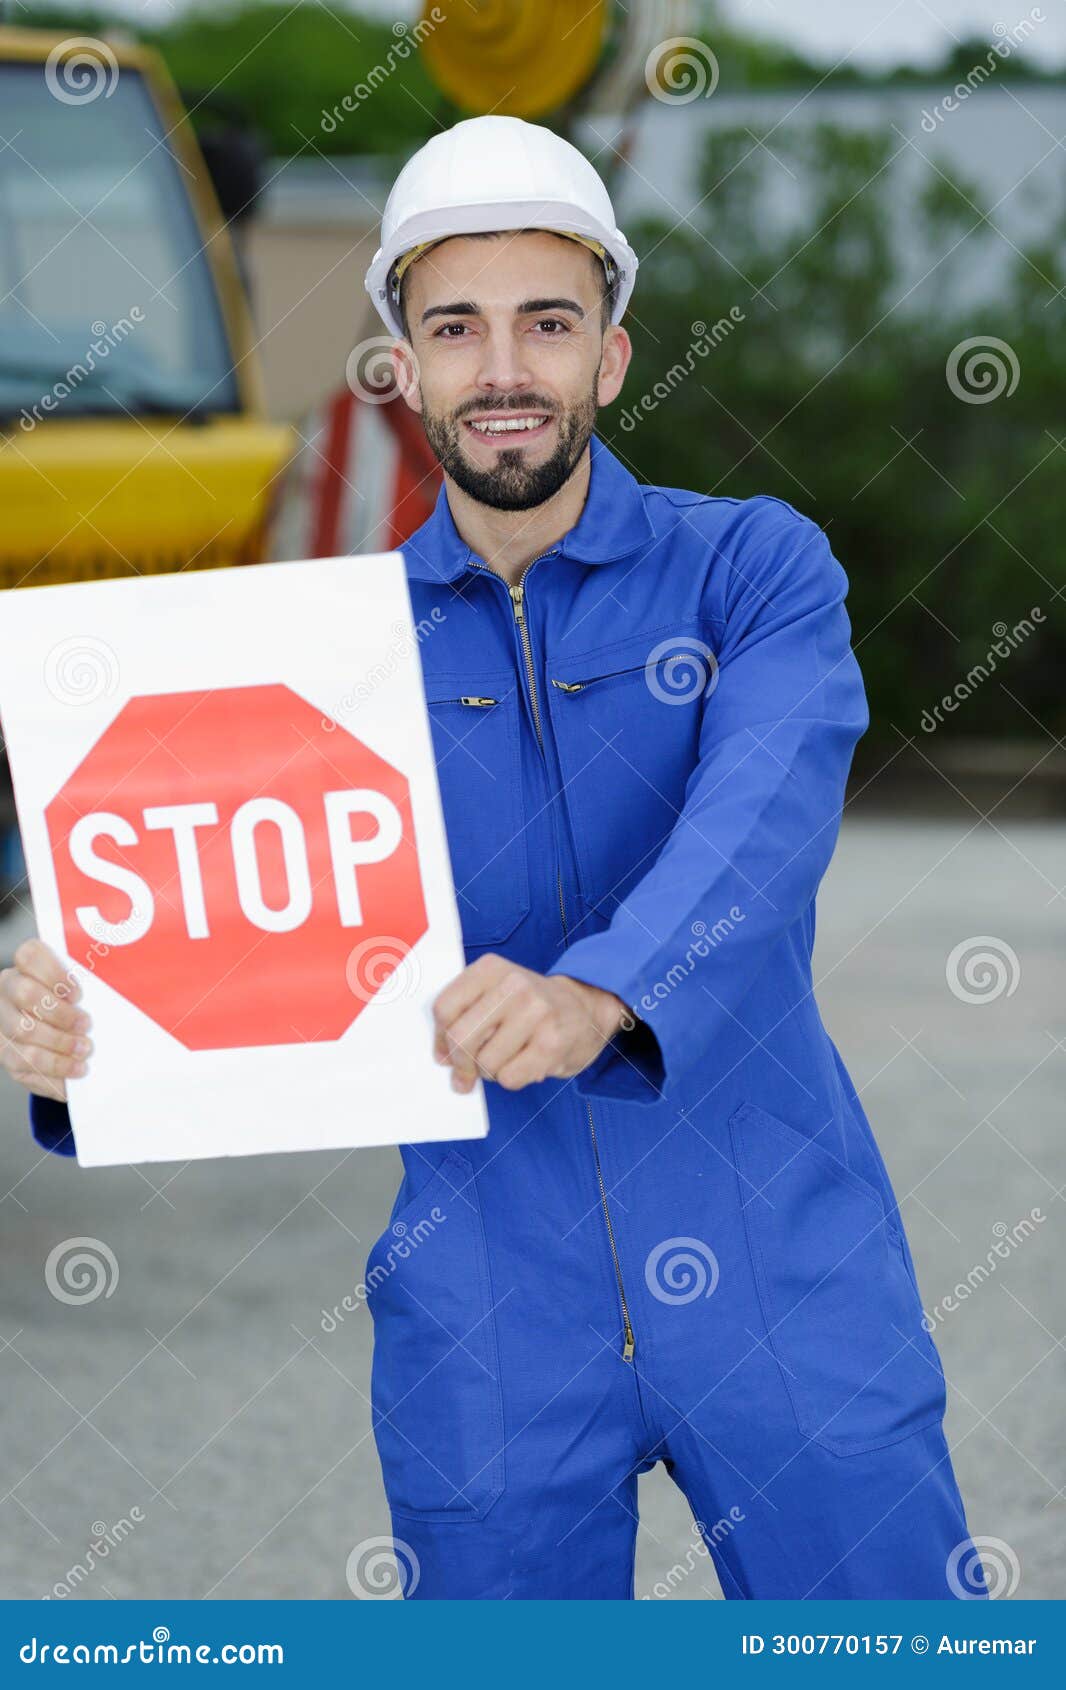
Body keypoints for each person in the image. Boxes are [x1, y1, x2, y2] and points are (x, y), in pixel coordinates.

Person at [1, 115, 984, 1601]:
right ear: (402, 367)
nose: (503, 367)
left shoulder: (752, 571)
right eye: (455, 327)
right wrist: (84, 1047)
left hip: (781, 1258)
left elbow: (761, 815)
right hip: (485, 1302)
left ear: (611, 353)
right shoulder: (316, 654)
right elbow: (205, 917)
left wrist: (598, 992)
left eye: (547, 322)